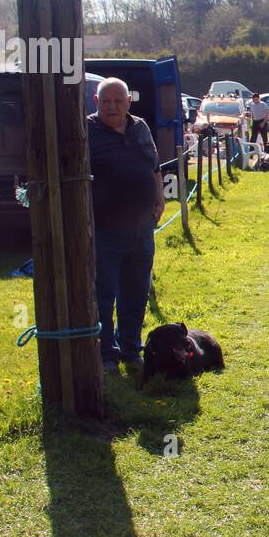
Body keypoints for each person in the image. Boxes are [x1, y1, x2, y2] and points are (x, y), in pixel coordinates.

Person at [87, 78, 165, 372]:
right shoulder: (87, 131)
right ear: (96, 101)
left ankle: (131, 347)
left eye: (118, 101)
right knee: (104, 293)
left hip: (142, 229)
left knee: (136, 291)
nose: (112, 107)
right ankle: (106, 353)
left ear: (128, 102)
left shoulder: (140, 127)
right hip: (105, 230)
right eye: (106, 101)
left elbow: (154, 166)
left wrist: (159, 198)